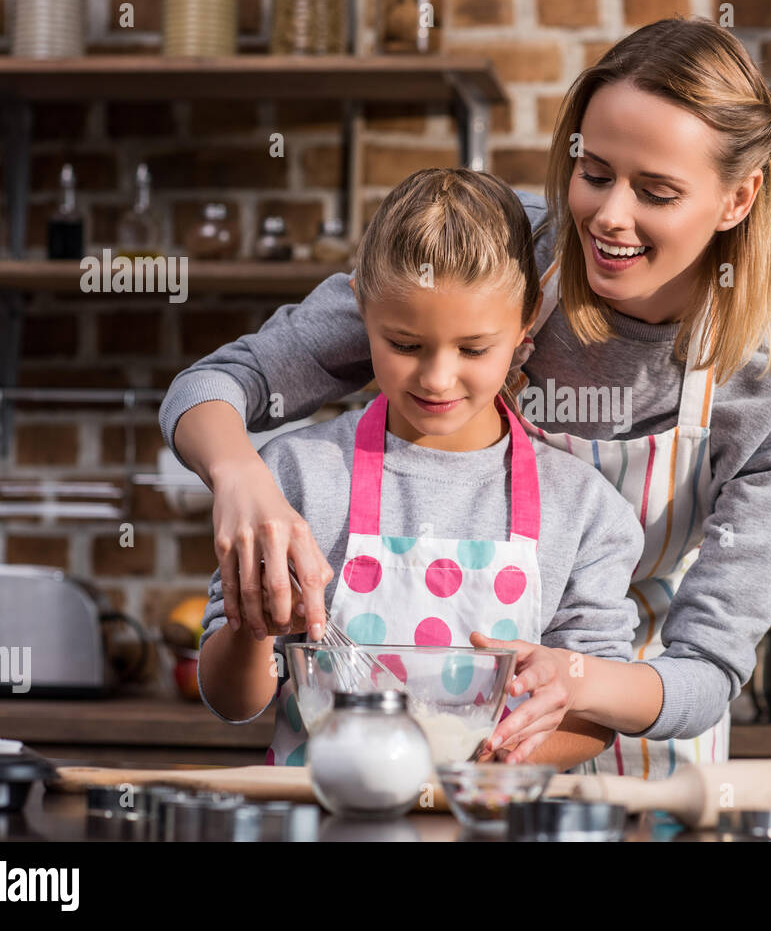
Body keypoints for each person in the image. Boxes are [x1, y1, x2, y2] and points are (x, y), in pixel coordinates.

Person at [163, 17, 771, 780]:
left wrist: (571, 685)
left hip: (630, 727)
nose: (610, 217)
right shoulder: (492, 260)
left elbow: (709, 666)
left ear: (738, 198)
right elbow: (216, 384)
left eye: (656, 191)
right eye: (595, 172)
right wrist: (242, 478)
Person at [194, 168, 642, 767]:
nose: (436, 377)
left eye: (473, 349)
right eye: (404, 344)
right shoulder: (295, 478)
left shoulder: (583, 509)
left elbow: (593, 713)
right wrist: (256, 626)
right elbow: (232, 702)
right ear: (360, 306)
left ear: (526, 319)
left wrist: (505, 762)